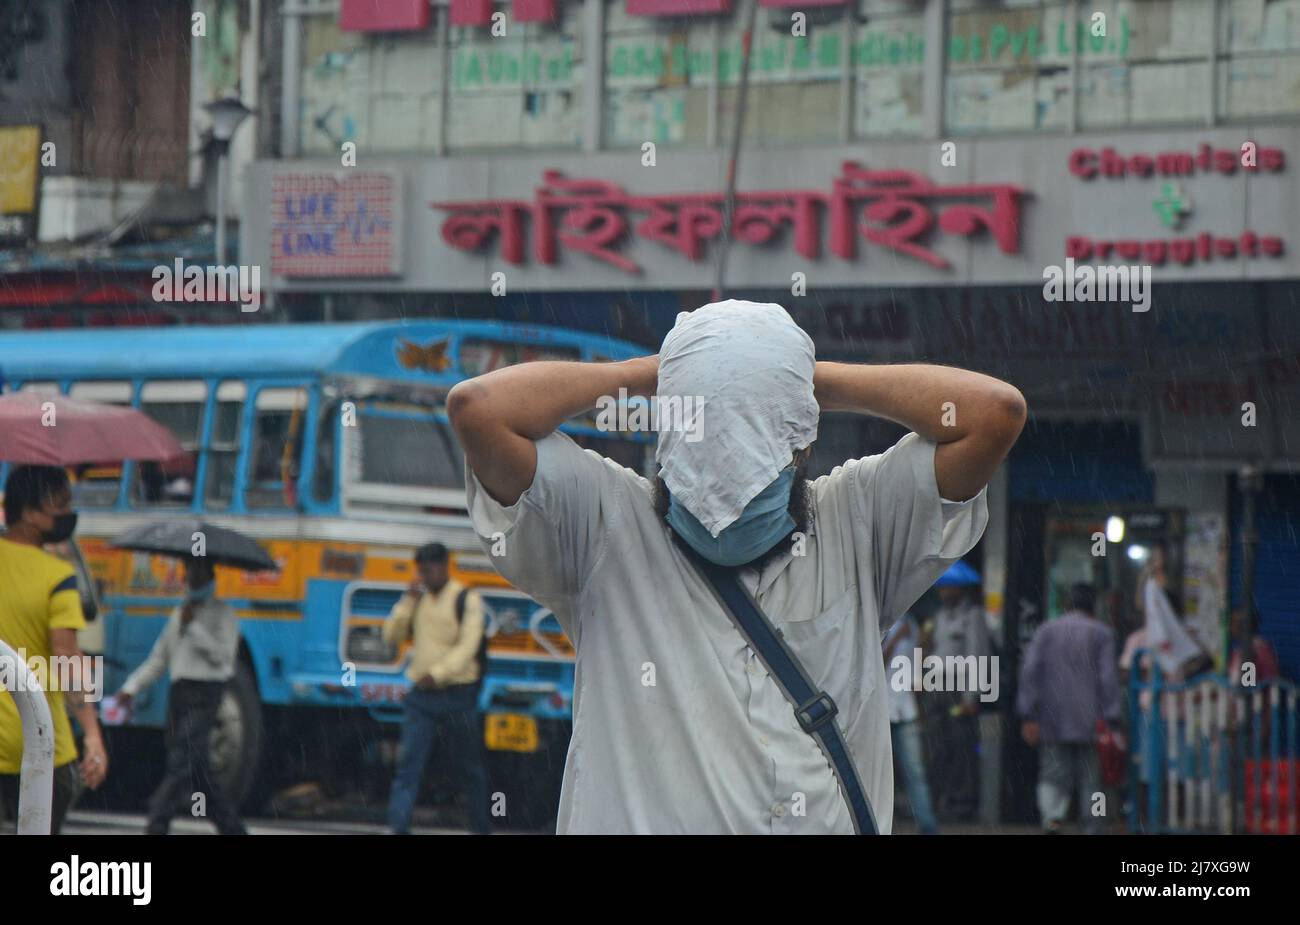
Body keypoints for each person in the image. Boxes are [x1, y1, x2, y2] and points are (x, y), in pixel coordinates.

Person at [449, 299, 1026, 833]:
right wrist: (669, 373)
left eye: (755, 448)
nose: (728, 491)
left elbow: (995, 413)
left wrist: (796, 379)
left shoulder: (858, 521)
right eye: (707, 443)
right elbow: (479, 409)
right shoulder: (604, 523)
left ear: (803, 444)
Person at [0, 465, 108, 833]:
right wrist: (92, 734)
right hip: (38, 737)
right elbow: (67, 659)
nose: (67, 514)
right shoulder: (57, 576)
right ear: (29, 512)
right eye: (59, 505)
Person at [116, 555, 246, 835]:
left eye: (198, 574)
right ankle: (231, 827)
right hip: (180, 695)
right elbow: (159, 658)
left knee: (182, 760)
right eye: (189, 573)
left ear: (210, 578)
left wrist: (195, 627)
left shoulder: (223, 614)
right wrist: (131, 687)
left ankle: (157, 821)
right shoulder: (179, 612)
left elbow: (224, 658)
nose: (192, 580)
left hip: (206, 693)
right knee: (197, 769)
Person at [384, 542, 490, 835]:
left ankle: (480, 827)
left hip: (458, 694)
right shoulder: (418, 599)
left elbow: (468, 646)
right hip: (421, 697)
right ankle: (398, 827)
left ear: (444, 566)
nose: (425, 576)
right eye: (421, 571)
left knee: (470, 768)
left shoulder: (466, 599)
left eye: (429, 570)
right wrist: (407, 602)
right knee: (409, 765)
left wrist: (438, 674)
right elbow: (390, 636)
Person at [1017, 583, 1121, 834]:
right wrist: (1112, 716)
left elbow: (1030, 672)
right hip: (1092, 720)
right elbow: (1108, 678)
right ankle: (1093, 825)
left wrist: (1028, 713)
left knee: (1053, 774)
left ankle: (1052, 818)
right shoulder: (1102, 634)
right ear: (1092, 607)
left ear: (1065, 606)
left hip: (1053, 717)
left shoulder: (1045, 631)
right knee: (1092, 780)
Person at [923, 566, 990, 821]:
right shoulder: (938, 617)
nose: (944, 592)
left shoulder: (973, 616)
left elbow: (977, 656)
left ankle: (962, 803)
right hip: (936, 688)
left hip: (958, 689)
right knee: (936, 746)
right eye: (942, 588)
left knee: (960, 746)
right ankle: (938, 799)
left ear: (959, 589)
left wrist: (971, 696)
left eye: (949, 588)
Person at [883, 614, 939, 834]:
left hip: (906, 710)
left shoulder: (912, 624)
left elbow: (917, 667)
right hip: (881, 711)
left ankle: (927, 825)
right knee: (876, 771)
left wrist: (925, 645)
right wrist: (896, 638)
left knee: (915, 771)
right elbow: (876, 662)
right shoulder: (880, 624)